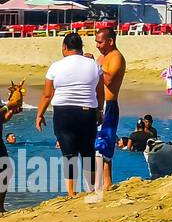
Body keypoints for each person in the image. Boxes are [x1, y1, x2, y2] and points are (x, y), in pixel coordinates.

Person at [35, 32, 104, 198]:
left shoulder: (56, 66)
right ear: (81, 48)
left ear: (64, 47)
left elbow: (47, 95)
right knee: (87, 150)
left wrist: (39, 114)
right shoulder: (94, 65)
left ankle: (71, 192)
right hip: (87, 112)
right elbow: (100, 92)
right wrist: (99, 110)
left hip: (63, 113)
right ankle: (91, 189)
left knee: (69, 152)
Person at [92, 27, 127, 194]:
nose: (97, 45)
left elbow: (109, 79)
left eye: (100, 42)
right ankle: (99, 183)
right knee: (95, 143)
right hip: (97, 104)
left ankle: (106, 183)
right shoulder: (101, 58)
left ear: (110, 41)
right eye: (96, 42)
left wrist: (94, 65)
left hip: (108, 104)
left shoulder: (116, 57)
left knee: (104, 143)